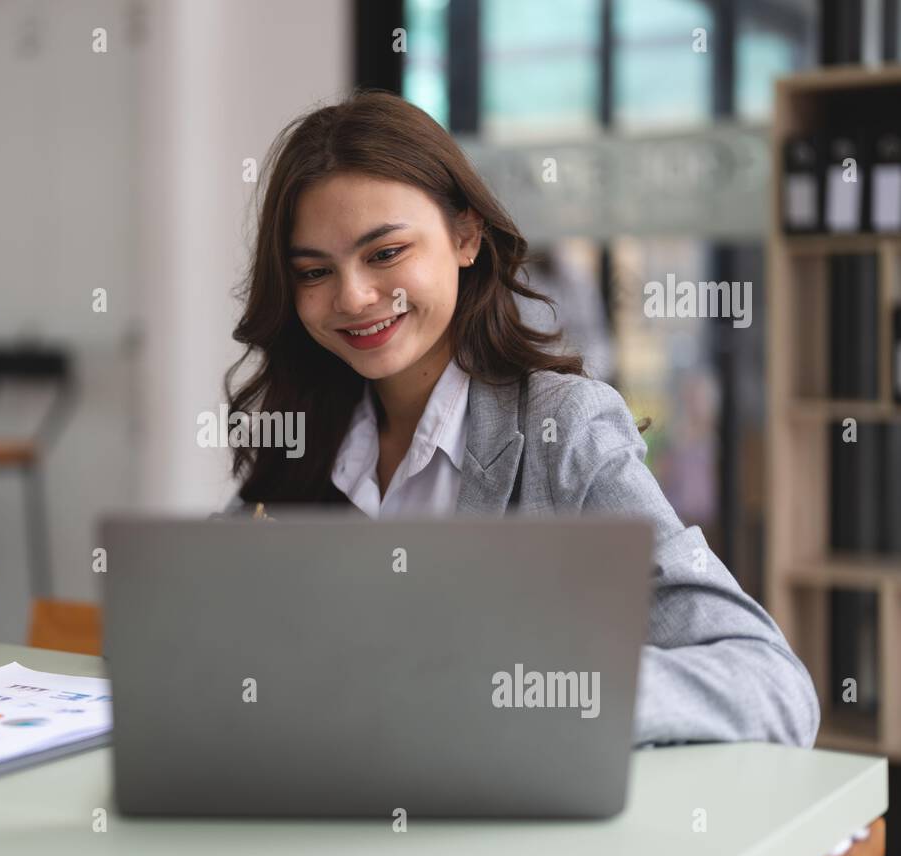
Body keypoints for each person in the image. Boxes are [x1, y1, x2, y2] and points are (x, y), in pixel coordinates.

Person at [222, 89, 818, 749]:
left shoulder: (563, 431)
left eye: (385, 253)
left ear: (466, 235)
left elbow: (772, 685)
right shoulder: (308, 430)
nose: (354, 297)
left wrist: (544, 690)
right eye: (314, 271)